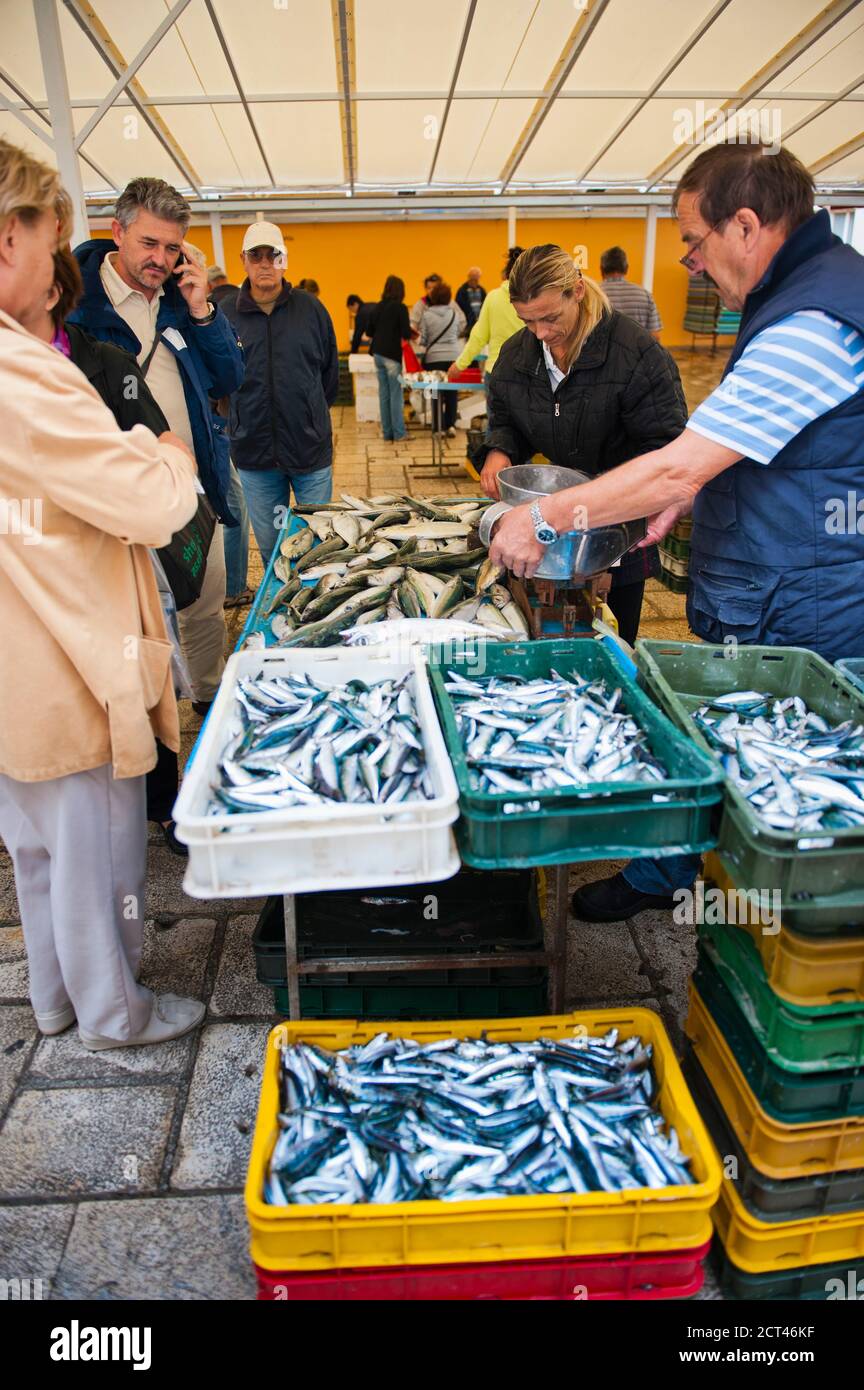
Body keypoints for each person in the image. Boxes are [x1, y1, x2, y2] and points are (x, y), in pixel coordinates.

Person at [488, 144, 864, 924]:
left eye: (693, 240)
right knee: (731, 733)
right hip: (779, 572)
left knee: (768, 751)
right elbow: (760, 448)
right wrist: (689, 497)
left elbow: (673, 457)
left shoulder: (815, 319)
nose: (689, 261)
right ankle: (681, 876)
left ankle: (761, 914)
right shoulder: (799, 293)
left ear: (748, 225)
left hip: (807, 594)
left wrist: (545, 516)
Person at [0, 136, 205, 1048]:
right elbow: (150, 501)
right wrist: (168, 458)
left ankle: (55, 999)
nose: (57, 266)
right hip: (64, 644)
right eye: (50, 244)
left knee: (38, 849)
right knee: (93, 845)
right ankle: (117, 1015)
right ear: (11, 237)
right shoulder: (18, 371)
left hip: (20, 656)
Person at [22, 242, 190, 857]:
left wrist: (167, 449)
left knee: (134, 700)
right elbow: (152, 496)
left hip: (99, 584)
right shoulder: (39, 389)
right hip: (73, 592)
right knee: (82, 854)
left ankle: (156, 805)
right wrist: (168, 462)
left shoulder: (99, 360)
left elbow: (160, 430)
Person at [70, 178, 244, 719]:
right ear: (116, 231)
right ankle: (143, 711)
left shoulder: (180, 301)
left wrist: (202, 312)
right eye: (149, 243)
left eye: (173, 248)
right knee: (134, 613)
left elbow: (228, 378)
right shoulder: (74, 307)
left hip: (193, 485)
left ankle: (208, 694)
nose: (161, 259)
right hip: (116, 496)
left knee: (205, 599)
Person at [477, 245, 687, 645]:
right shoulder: (517, 354)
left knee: (614, 634)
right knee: (543, 629)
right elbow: (507, 417)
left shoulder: (637, 354)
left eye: (550, 318)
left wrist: (606, 497)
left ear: (577, 291)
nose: (540, 332)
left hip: (621, 522)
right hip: (551, 527)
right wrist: (499, 449)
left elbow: (665, 444)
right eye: (528, 320)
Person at [221, 222, 339, 564]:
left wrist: (310, 413)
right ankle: (279, 613)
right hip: (255, 454)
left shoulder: (310, 309)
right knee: (275, 550)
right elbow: (220, 377)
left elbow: (329, 374)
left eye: (272, 255)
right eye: (256, 256)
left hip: (308, 450)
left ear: (283, 260)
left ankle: (314, 611)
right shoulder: (227, 314)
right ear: (243, 260)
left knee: (317, 543)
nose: (264, 263)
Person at [448, 246, 525, 381]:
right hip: (527, 373)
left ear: (505, 274)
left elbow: (478, 336)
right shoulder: (536, 299)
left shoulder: (493, 297)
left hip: (497, 370)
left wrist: (460, 364)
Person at [418, 281, 467, 437]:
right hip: (453, 357)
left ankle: (437, 427)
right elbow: (459, 330)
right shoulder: (454, 314)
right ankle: (450, 425)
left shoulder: (426, 315)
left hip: (433, 359)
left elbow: (424, 339)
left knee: (434, 392)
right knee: (452, 392)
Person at [367, 275, 411, 442]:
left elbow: (369, 332)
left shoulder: (377, 307)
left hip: (377, 353)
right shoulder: (400, 308)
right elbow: (406, 333)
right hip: (392, 355)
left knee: (384, 394)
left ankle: (387, 433)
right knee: (395, 394)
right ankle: (399, 433)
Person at [600, 246, 662, 340]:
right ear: (626, 268)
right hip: (636, 353)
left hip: (602, 354)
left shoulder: (593, 294)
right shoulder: (645, 295)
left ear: (602, 269)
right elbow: (655, 336)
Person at [455, 266, 487, 331]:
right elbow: (458, 308)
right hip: (467, 325)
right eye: (472, 279)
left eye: (476, 279)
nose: (474, 281)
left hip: (479, 324)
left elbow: (485, 306)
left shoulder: (482, 291)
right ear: (468, 277)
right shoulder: (462, 291)